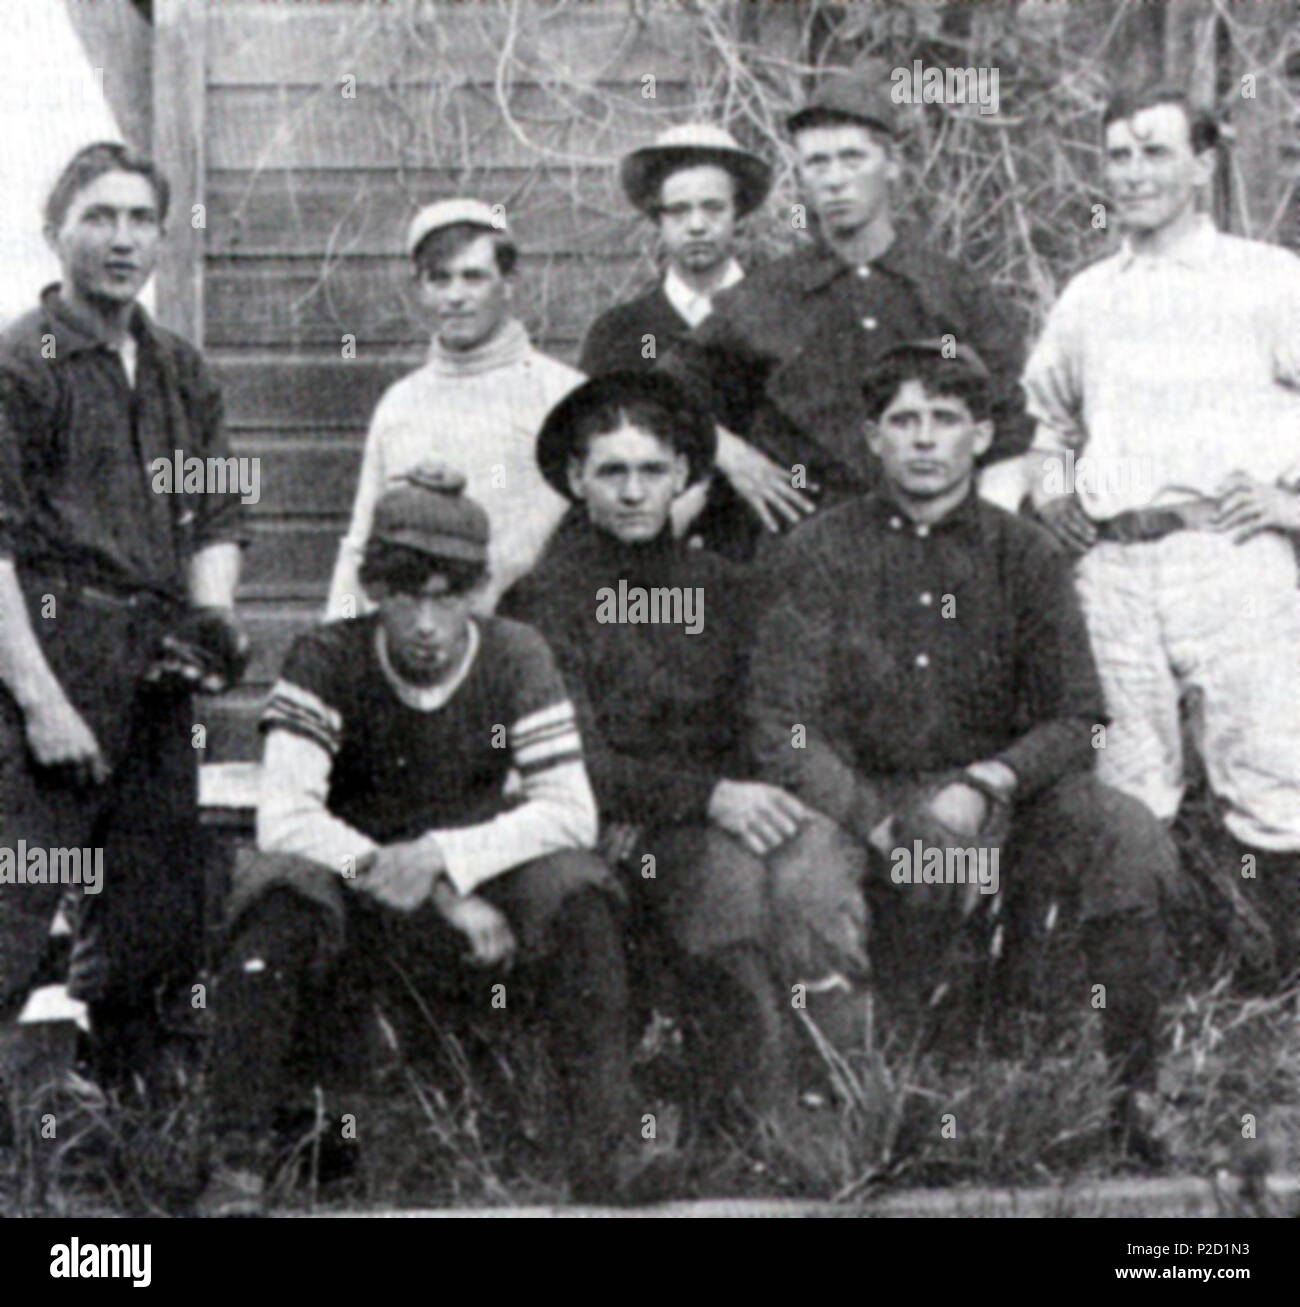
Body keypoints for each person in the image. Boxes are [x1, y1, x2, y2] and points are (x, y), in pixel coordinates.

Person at [748, 341, 1183, 1161]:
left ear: (981, 436)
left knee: (1128, 836)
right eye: (902, 421)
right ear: (872, 437)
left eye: (944, 420)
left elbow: (1079, 716)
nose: (922, 439)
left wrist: (991, 779)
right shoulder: (816, 551)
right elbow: (782, 726)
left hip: (990, 795)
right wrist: (874, 820)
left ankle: (1133, 1091)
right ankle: (850, 1105)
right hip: (855, 794)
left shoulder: (1024, 554)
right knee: (805, 877)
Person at [199, 465, 672, 1215]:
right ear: (374, 589)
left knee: (578, 891)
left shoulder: (515, 653)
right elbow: (286, 817)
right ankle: (238, 1157)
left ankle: (604, 1149)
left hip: (470, 865)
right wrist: (416, 877)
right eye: (407, 595)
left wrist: (446, 862)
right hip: (351, 874)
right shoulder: (327, 657)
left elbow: (569, 809)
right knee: (275, 893)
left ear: (476, 592)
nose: (426, 621)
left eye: (448, 596)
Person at [501, 371, 870, 1130]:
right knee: (727, 889)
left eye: (651, 470)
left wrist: (758, 795)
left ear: (684, 476)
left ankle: (845, 1105)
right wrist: (705, 798)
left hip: (731, 810)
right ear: (576, 479)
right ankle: (749, 1119)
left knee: (817, 867)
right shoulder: (545, 599)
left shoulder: (729, 590)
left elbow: (770, 719)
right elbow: (570, 759)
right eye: (611, 471)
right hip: (612, 823)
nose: (633, 492)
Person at [1021, 83, 1300, 983]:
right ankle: (1144, 989)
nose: (1134, 173)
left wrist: (1291, 508)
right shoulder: (1091, 295)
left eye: (1155, 152)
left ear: (1204, 165)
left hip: (1228, 554)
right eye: (1119, 155)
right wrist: (1057, 494)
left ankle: (1275, 998)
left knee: (1272, 773)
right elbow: (1050, 422)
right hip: (1113, 565)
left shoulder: (1266, 280)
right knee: (1129, 783)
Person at [0, 142, 247, 1082]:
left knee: (147, 927)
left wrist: (212, 621)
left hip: (153, 677)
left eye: (141, 219)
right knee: (15, 909)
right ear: (54, 231)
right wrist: (39, 701)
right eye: (99, 217)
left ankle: (127, 1140)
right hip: (43, 669)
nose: (122, 239)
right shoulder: (23, 366)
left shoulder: (184, 371)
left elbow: (221, 510)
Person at [659, 72, 1030, 559]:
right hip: (801, 556)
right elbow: (664, 393)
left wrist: (976, 546)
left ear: (891, 164)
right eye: (817, 162)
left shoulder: (952, 291)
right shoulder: (766, 296)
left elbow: (1008, 427)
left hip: (927, 553)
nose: (834, 179)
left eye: (852, 158)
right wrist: (733, 456)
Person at [325, 199, 579, 618]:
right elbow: (361, 545)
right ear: (421, 289)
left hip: (533, 642)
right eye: (439, 279)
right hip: (423, 644)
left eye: (473, 277)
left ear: (509, 282)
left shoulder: (561, 394)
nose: (455, 296)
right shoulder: (400, 403)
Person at [578, 123, 772, 377]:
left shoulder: (778, 318)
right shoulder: (617, 334)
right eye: (679, 210)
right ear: (658, 219)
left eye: (713, 208)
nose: (697, 226)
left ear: (737, 213)